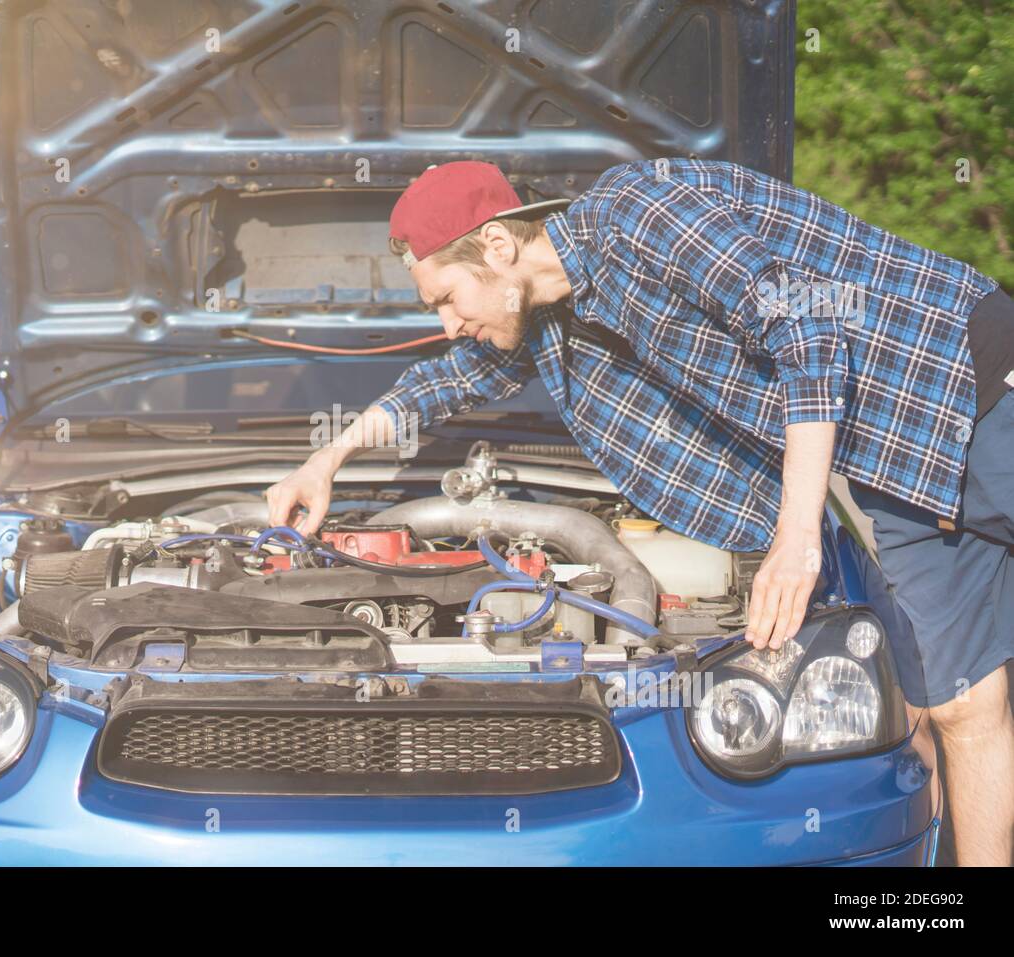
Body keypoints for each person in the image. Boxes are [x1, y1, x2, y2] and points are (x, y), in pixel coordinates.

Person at [264, 159, 1014, 865]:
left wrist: (797, 538)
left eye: (446, 299)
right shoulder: (547, 321)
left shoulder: (639, 213)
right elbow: (447, 381)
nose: (449, 321)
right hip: (898, 469)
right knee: (957, 710)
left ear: (497, 246)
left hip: (962, 385)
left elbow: (808, 327)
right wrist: (326, 459)